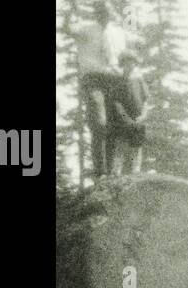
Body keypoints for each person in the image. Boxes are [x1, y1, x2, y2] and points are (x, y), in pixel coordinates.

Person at [73, 2, 128, 178]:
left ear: (110, 13)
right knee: (99, 122)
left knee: (114, 124)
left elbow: (136, 42)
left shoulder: (118, 32)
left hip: (114, 79)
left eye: (107, 12)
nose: (103, 16)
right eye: (100, 13)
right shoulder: (85, 29)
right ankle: (100, 172)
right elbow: (66, 28)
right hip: (93, 79)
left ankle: (112, 171)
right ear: (95, 14)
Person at [107, 50, 149, 176]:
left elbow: (146, 100)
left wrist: (143, 115)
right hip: (123, 120)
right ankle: (116, 171)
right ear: (122, 64)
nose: (129, 66)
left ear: (135, 64)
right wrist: (126, 118)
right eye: (126, 63)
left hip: (138, 118)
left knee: (137, 146)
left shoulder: (139, 81)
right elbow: (117, 103)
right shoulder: (119, 82)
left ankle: (136, 171)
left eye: (132, 63)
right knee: (121, 144)